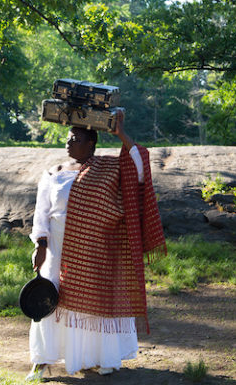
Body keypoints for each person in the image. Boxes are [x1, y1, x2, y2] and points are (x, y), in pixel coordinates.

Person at [26, 111, 166, 380]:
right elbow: (41, 212)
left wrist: (121, 134)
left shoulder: (109, 168)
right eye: (68, 138)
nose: (69, 143)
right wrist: (40, 243)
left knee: (96, 301)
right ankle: (42, 360)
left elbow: (139, 170)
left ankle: (99, 357)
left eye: (76, 139)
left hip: (96, 248)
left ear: (91, 145)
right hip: (56, 246)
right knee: (48, 297)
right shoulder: (54, 172)